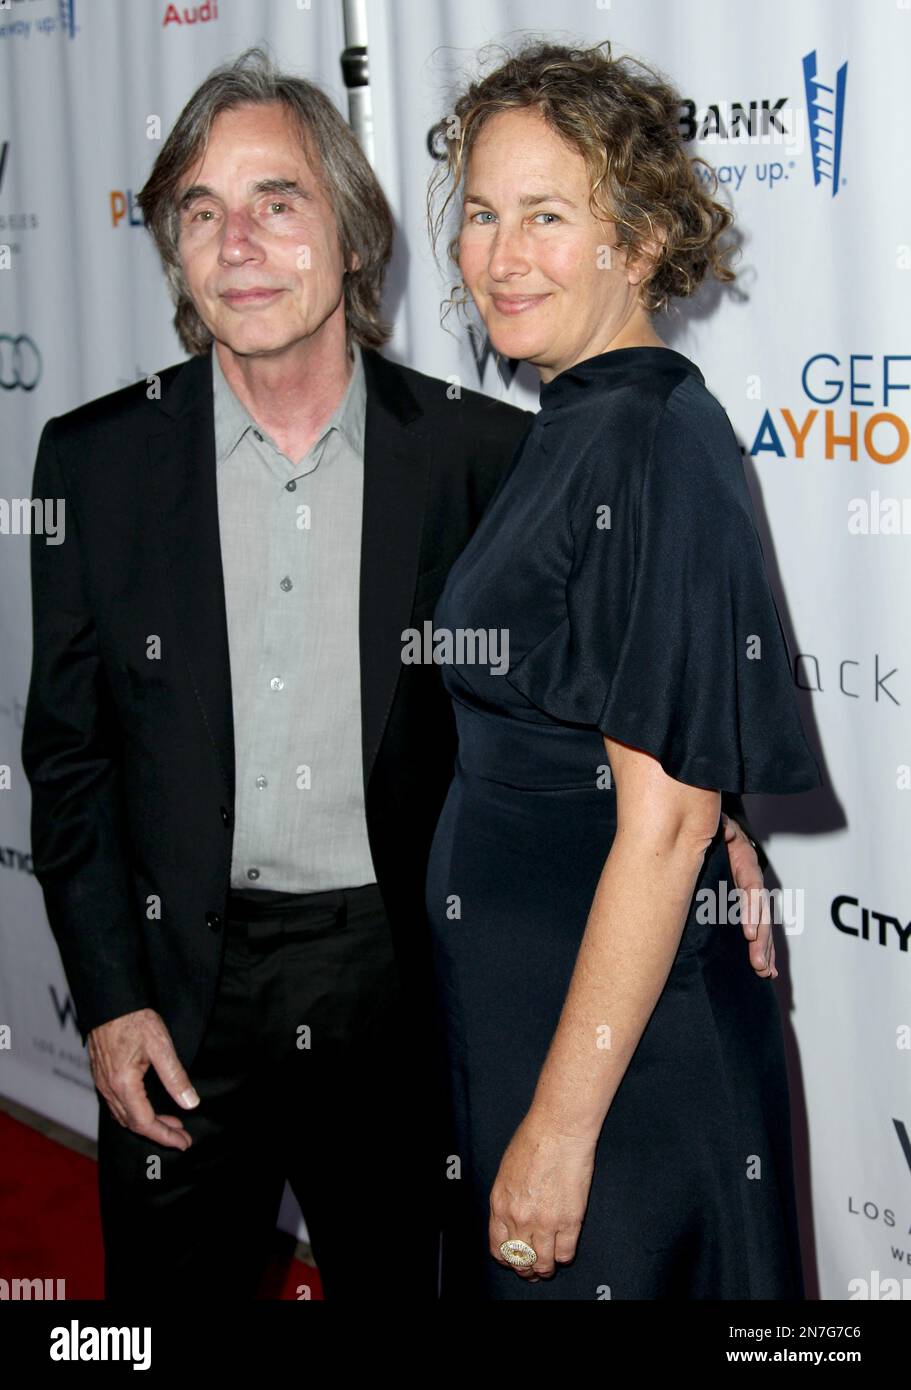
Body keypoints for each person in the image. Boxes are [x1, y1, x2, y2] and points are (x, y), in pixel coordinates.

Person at [22, 46, 769, 1302]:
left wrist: (714, 820)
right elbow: (70, 754)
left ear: (354, 235)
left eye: (276, 201)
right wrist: (108, 1000)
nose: (238, 242)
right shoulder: (93, 462)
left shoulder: (490, 454)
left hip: (411, 988)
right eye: (200, 213)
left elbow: (604, 673)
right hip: (180, 995)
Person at [425, 40, 821, 1300]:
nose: (498, 253)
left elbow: (656, 831)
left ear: (639, 240)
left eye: (547, 215)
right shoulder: (582, 418)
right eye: (483, 213)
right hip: (559, 1023)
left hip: (623, 1075)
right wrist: (721, 817)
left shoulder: (649, 438)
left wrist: (558, 1126)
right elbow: (634, 713)